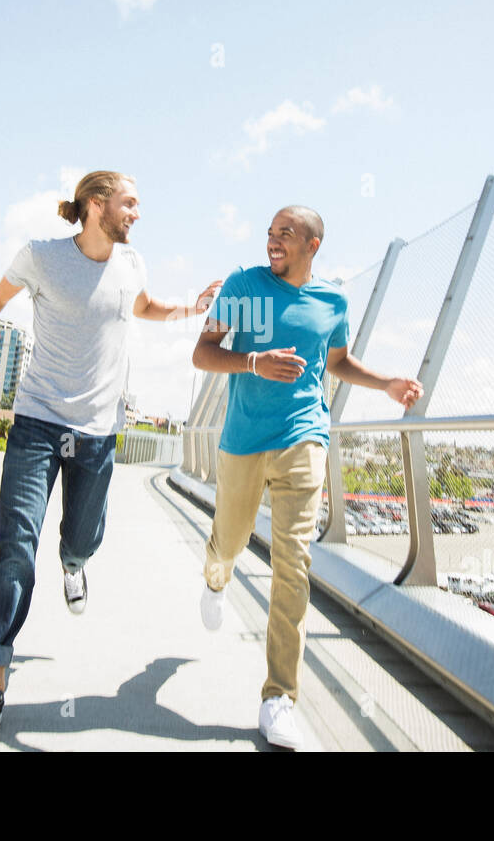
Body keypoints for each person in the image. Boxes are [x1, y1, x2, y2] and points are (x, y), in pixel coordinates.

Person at [0, 170, 220, 734]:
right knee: (15, 542)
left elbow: (144, 307)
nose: (137, 213)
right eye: (130, 202)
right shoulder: (40, 255)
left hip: (98, 431)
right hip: (37, 419)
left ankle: (75, 562)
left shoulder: (131, 263)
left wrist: (189, 308)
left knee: (82, 537)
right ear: (95, 203)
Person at [191, 205, 421, 750]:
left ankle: (279, 698)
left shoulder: (333, 300)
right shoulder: (243, 286)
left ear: (312, 245)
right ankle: (215, 575)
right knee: (231, 540)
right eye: (270, 233)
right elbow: (202, 353)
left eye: (285, 235)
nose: (272, 242)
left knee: (293, 563)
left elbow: (337, 363)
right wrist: (252, 363)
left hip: (305, 437)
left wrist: (386, 381)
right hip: (244, 439)